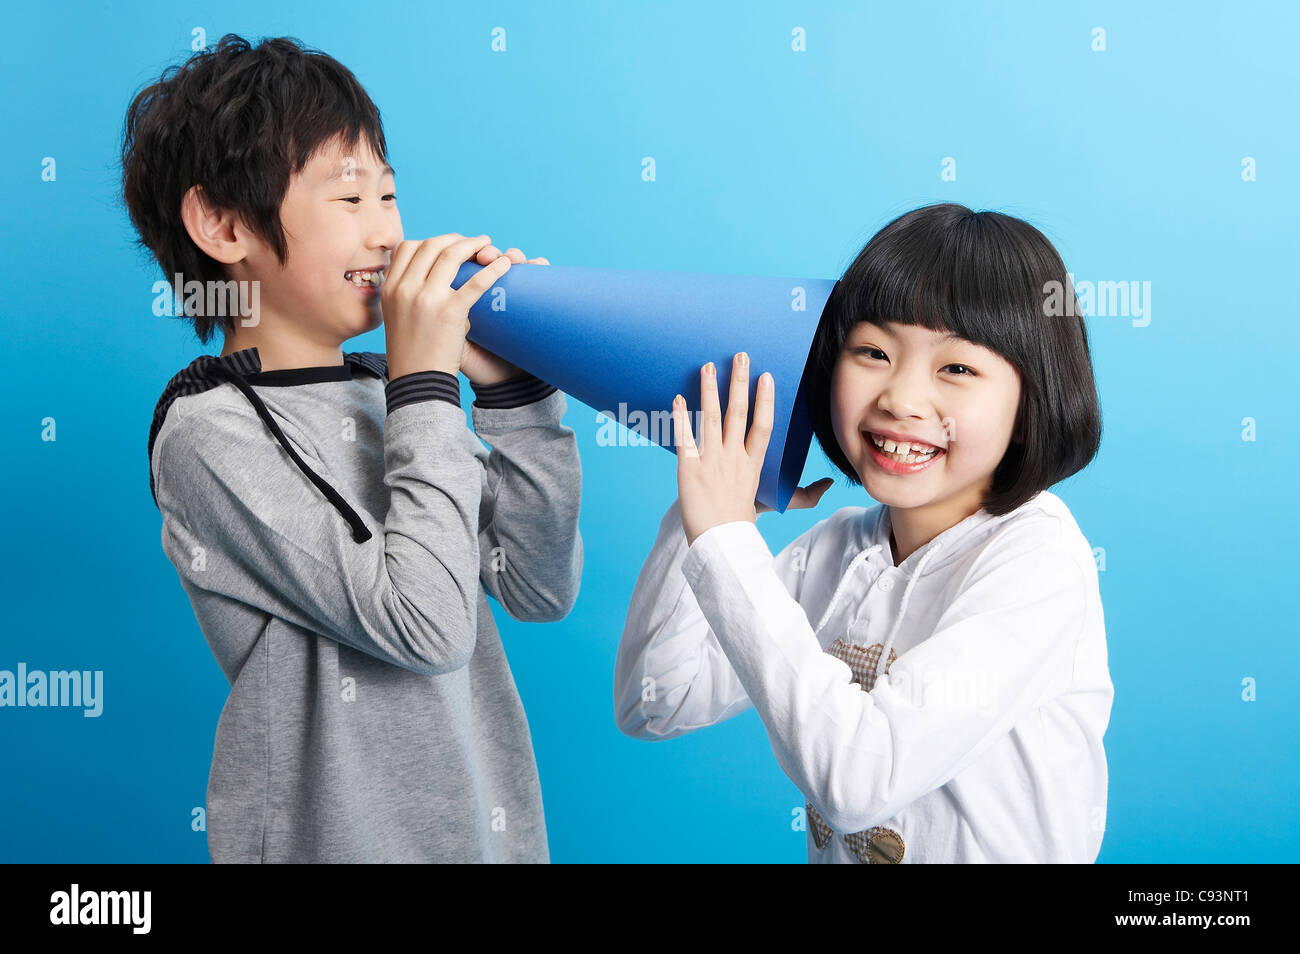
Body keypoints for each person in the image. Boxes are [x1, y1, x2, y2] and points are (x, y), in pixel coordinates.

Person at [126, 34, 582, 862]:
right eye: (349, 201)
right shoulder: (208, 432)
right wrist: (425, 388)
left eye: (390, 196)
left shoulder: (396, 390)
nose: (388, 234)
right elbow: (426, 625)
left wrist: (515, 400)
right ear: (223, 224)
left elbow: (540, 588)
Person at [615, 203, 1111, 863]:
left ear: (1030, 403)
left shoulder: (1038, 562)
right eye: (873, 352)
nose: (900, 398)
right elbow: (656, 701)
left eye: (956, 368)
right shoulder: (841, 548)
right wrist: (703, 518)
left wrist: (727, 540)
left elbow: (859, 778)